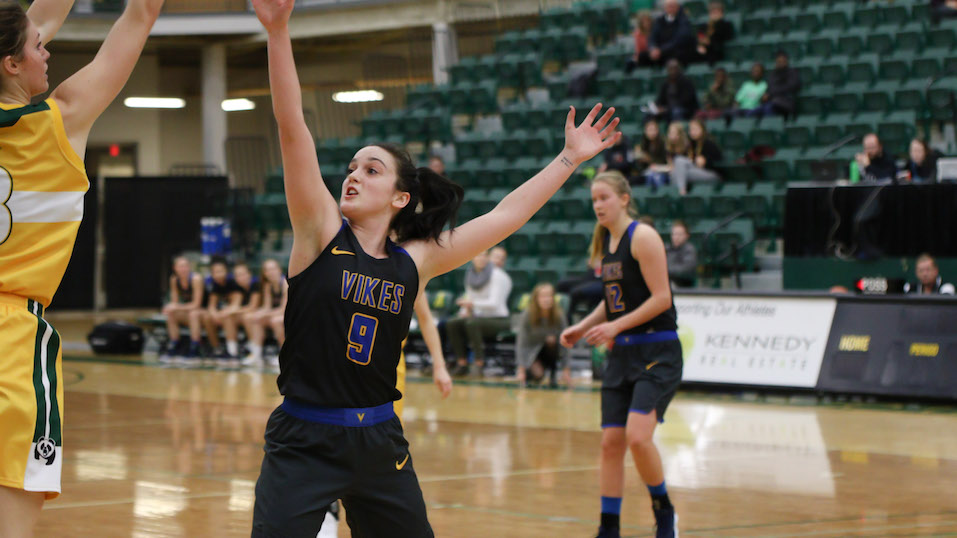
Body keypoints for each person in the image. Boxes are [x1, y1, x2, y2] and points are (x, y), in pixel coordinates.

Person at [249, 2, 621, 536]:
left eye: (370, 169)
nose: (352, 175)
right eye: (351, 167)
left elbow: (505, 216)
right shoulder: (319, 233)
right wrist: (278, 31)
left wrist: (568, 158)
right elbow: (292, 130)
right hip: (304, 437)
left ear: (401, 197)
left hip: (379, 439)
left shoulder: (416, 261)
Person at [0, 0, 164, 532]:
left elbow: (29, 23)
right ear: (12, 63)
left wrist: (26, 31)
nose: (47, 50)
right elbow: (138, 16)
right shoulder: (63, 118)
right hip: (11, 340)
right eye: (39, 46)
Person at [561, 171, 682, 538]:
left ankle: (664, 510)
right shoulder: (606, 245)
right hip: (623, 355)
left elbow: (662, 298)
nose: (598, 205)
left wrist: (614, 327)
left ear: (624, 199)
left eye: (604, 198)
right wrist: (584, 326)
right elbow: (613, 302)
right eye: (594, 199)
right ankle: (608, 528)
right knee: (610, 443)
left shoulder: (642, 237)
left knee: (637, 438)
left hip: (657, 349)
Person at [446, 249, 513, 377]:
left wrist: (472, 305)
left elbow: (495, 304)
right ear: (472, 258)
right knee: (453, 323)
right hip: (479, 317)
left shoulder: (497, 275)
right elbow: (469, 298)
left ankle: (478, 364)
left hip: (499, 319)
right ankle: (462, 363)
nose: (481, 258)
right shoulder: (470, 274)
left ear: (488, 258)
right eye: (478, 255)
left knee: (471, 323)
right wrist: (465, 310)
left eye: (484, 256)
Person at [516, 283, 571, 388]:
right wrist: (521, 370)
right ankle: (529, 373)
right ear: (536, 299)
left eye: (549, 296)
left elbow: (566, 343)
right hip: (531, 352)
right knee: (537, 376)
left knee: (551, 340)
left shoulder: (559, 315)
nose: (547, 299)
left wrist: (566, 370)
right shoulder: (527, 315)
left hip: (551, 352)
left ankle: (553, 372)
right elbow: (521, 343)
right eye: (543, 296)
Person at [242, 258, 288, 366]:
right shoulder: (268, 286)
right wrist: (258, 314)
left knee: (276, 321)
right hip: (276, 314)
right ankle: (256, 354)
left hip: (289, 315)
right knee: (252, 318)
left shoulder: (285, 283)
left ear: (279, 270)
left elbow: (283, 309)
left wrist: (264, 314)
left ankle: (284, 355)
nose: (270, 272)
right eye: (267, 270)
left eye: (273, 269)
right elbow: (267, 307)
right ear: (265, 273)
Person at [160, 256, 204, 360]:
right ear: (175, 268)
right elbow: (175, 303)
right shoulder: (174, 279)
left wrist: (176, 307)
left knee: (193, 314)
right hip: (189, 311)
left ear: (189, 267)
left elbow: (197, 304)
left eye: (185, 266)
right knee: (171, 314)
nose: (183, 269)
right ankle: (174, 346)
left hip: (204, 312)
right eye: (180, 266)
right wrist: (170, 307)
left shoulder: (196, 279)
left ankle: (194, 349)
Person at [200, 257, 242, 361]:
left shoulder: (233, 283)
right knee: (207, 317)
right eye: (215, 272)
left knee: (227, 318)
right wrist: (214, 314)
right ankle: (217, 349)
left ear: (226, 271)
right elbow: (211, 306)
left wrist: (221, 314)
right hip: (223, 314)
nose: (218, 274)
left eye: (220, 271)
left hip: (238, 313)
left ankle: (233, 352)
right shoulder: (214, 285)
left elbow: (236, 305)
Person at [638, 0, 695, 68]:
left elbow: (679, 40)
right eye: (669, 6)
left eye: (672, 6)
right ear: (665, 8)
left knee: (679, 54)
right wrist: (653, 48)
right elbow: (652, 37)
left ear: (677, 8)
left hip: (675, 51)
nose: (670, 8)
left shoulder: (684, 21)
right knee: (642, 56)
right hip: (660, 52)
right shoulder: (659, 21)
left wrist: (661, 50)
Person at [672, 119, 722, 195]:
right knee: (676, 171)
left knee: (679, 168)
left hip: (712, 174)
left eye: (695, 129)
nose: (692, 132)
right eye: (691, 129)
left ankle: (680, 194)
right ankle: (681, 192)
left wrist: (706, 161)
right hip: (696, 171)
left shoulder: (709, 143)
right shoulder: (690, 144)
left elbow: (719, 161)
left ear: (702, 129)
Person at [753, 51, 800, 118]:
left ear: (786, 61)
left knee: (768, 108)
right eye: (778, 61)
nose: (780, 63)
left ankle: (771, 127)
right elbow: (769, 88)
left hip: (786, 103)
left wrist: (772, 93)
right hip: (773, 101)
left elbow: (792, 86)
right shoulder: (773, 74)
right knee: (754, 111)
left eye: (782, 61)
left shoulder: (792, 72)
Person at [636, 120, 670, 187]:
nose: (651, 132)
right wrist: (640, 159)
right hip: (647, 170)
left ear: (657, 131)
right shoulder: (643, 143)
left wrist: (650, 159)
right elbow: (640, 165)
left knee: (655, 176)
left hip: (662, 169)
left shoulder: (662, 142)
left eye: (653, 130)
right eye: (649, 130)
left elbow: (665, 160)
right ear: (645, 131)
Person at [666, 220, 697, 287]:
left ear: (687, 235)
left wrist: (666, 271)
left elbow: (686, 269)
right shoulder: (666, 248)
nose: (676, 237)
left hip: (683, 285)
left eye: (679, 234)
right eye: (674, 234)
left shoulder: (689, 250)